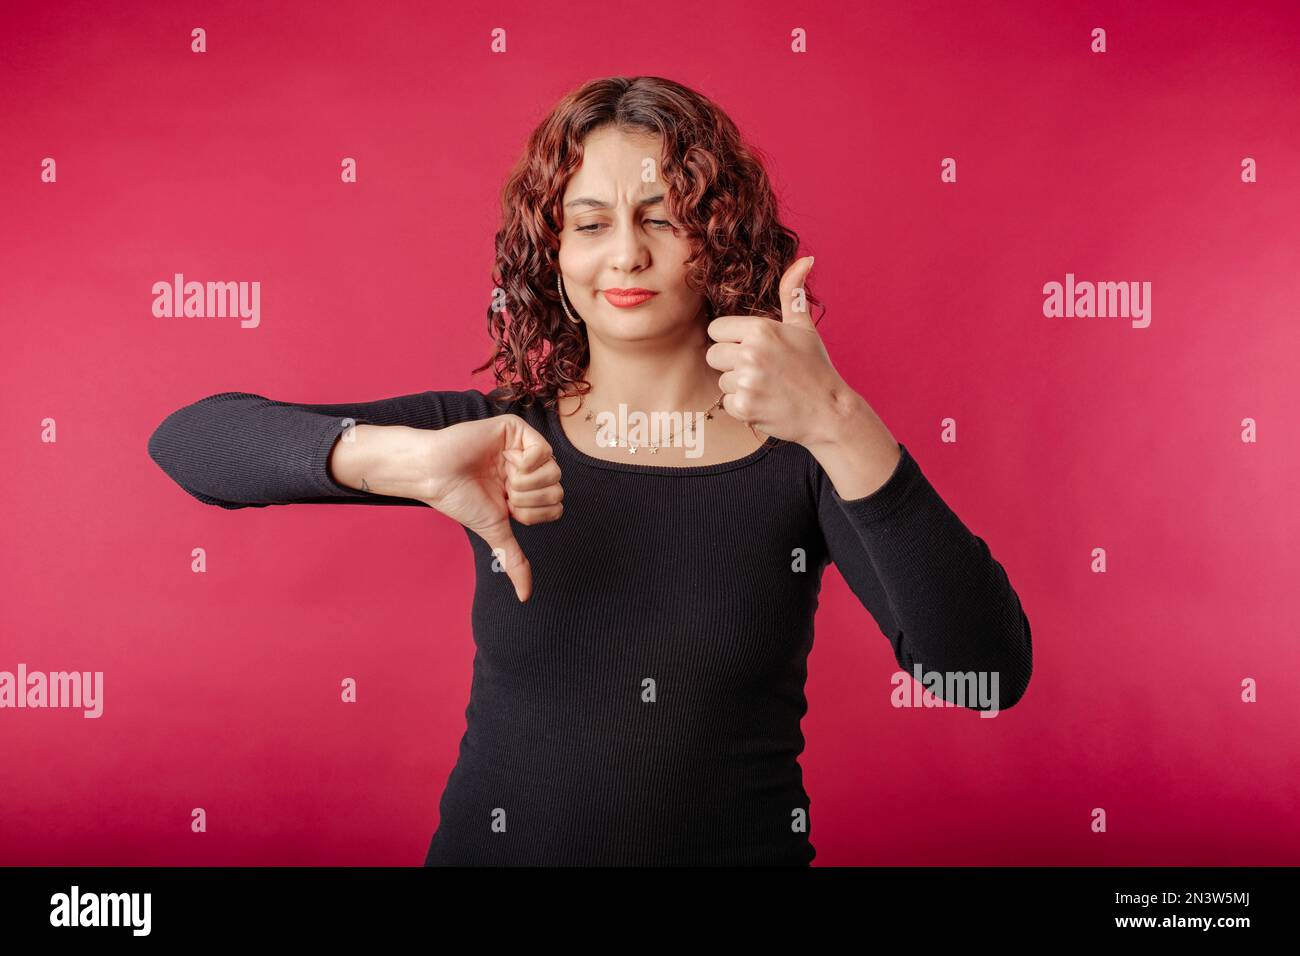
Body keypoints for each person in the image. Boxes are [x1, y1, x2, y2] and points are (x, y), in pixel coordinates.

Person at [147, 75, 1033, 866]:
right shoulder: (489, 435)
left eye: (661, 217)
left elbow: (984, 672)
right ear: (554, 251)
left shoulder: (802, 457)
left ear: (718, 237)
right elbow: (192, 441)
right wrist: (405, 459)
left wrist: (839, 419)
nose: (626, 255)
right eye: (590, 222)